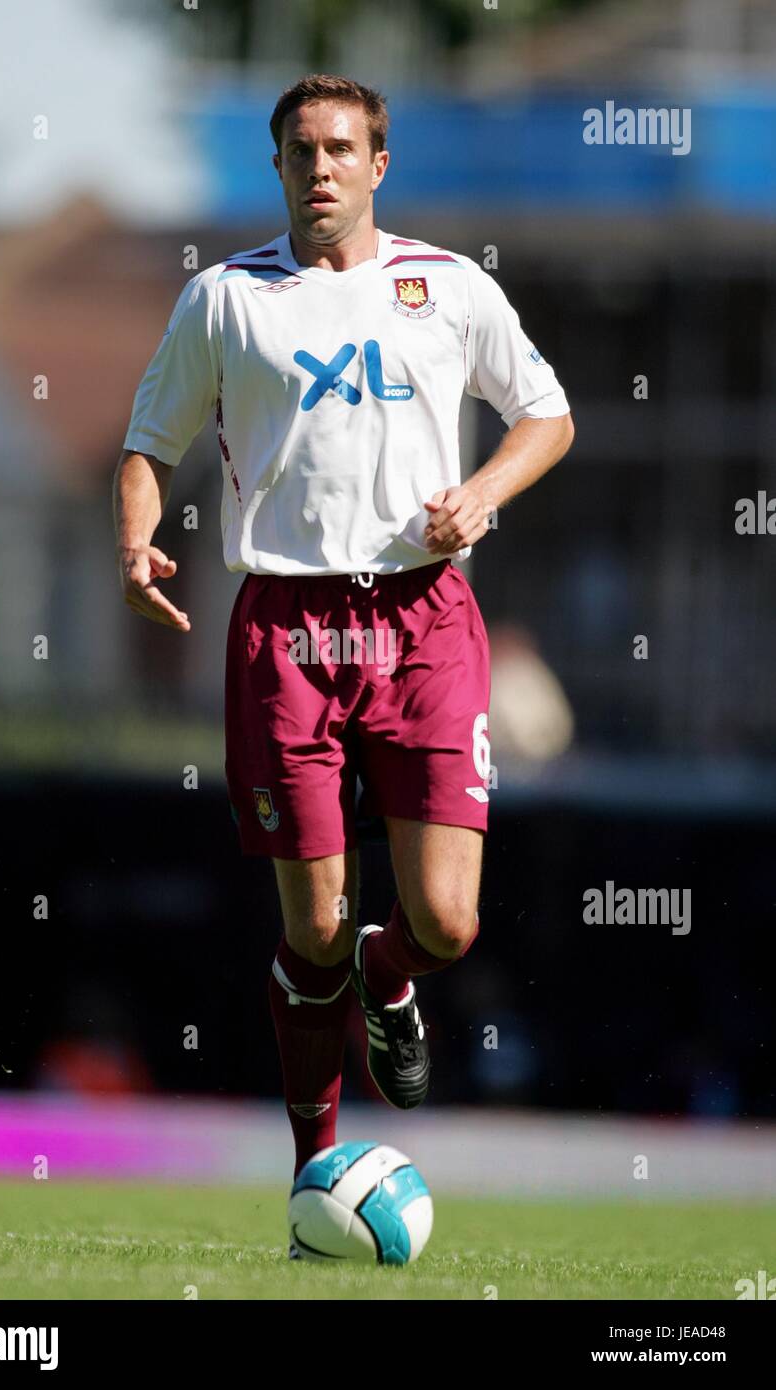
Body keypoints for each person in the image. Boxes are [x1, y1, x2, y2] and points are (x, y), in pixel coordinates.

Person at [113, 73, 574, 1211]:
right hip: (287, 629)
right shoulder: (222, 300)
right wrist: (134, 545)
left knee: (446, 921)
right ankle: (312, 1173)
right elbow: (145, 445)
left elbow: (548, 415)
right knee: (310, 926)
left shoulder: (447, 286)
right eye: (298, 151)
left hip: (421, 620)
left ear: (377, 166)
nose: (318, 168)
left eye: (339, 149)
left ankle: (391, 974)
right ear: (275, 170)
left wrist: (479, 496)